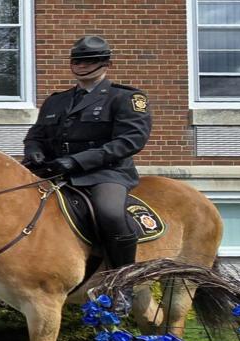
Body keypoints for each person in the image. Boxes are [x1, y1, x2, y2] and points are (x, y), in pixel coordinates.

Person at [22, 35, 151, 271]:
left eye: (89, 61)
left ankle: (123, 281)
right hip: (55, 171)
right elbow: (35, 135)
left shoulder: (125, 98)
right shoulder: (56, 101)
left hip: (105, 174)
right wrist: (34, 152)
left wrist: (75, 162)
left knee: (110, 214)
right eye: (77, 61)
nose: (81, 66)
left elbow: (130, 141)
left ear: (106, 63)